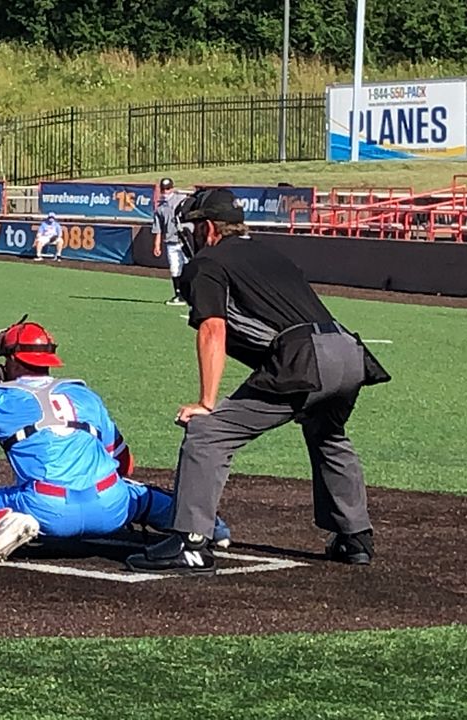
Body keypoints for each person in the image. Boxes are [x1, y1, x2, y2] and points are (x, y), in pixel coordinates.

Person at [125, 188, 391, 575]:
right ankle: (355, 537)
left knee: (209, 431)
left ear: (209, 228)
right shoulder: (268, 252)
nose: (192, 234)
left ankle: (191, 543)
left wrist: (206, 400)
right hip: (349, 350)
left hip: (307, 358)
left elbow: (213, 328)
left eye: (195, 226)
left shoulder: (208, 263)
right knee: (327, 433)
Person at [0, 317, 230, 563]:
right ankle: (209, 526)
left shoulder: (0, 397)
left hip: (46, 508)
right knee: (143, 495)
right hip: (111, 505)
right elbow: (125, 464)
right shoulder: (84, 395)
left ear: (15, 362)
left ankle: (2, 522)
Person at [152, 178, 187, 305]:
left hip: (184, 240)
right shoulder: (160, 208)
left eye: (167, 189)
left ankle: (192, 295)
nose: (165, 192)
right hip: (171, 241)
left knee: (189, 267)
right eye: (163, 189)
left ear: (172, 188)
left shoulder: (181, 200)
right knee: (175, 269)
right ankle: (178, 295)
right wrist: (157, 245)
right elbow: (158, 228)